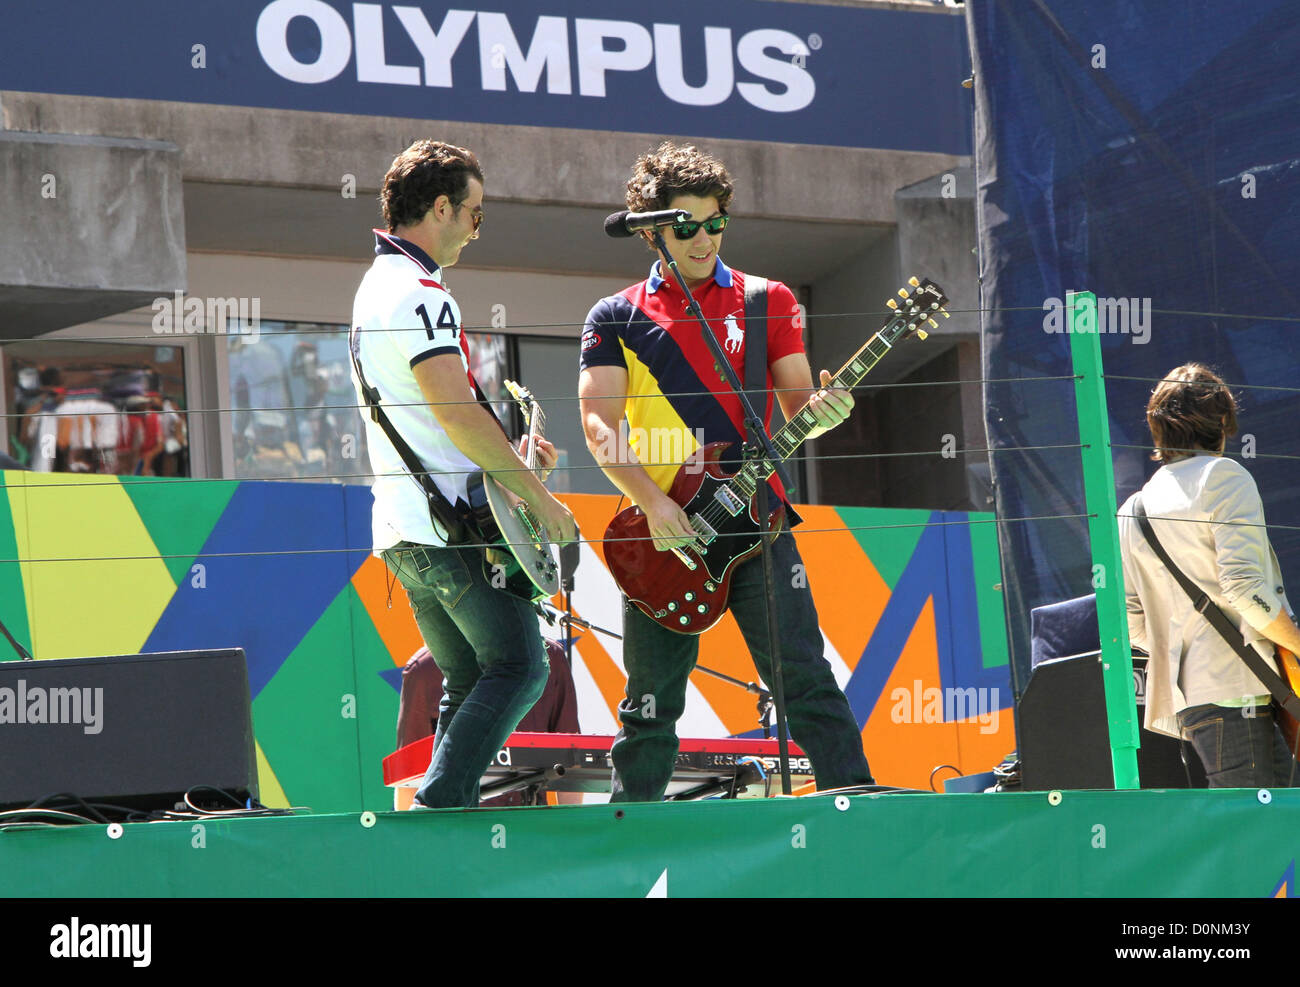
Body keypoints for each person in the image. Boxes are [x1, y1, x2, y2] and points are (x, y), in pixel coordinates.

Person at [578, 141, 874, 801]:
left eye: (717, 222)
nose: (706, 237)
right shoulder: (614, 316)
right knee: (650, 700)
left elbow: (802, 407)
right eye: (688, 225)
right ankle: (633, 835)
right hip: (664, 534)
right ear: (651, 228)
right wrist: (654, 505)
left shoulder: (770, 300)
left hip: (759, 521)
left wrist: (828, 410)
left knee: (803, 676)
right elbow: (598, 425)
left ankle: (859, 810)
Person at [350, 139, 578, 808]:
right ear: (442, 208)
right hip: (450, 530)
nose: (477, 230)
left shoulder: (375, 288)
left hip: (403, 530)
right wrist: (538, 498)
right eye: (475, 214)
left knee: (469, 676)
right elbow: (457, 417)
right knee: (521, 667)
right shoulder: (421, 294)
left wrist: (511, 461)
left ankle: (441, 828)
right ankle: (435, 813)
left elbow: (437, 419)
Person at [1118, 363, 1300, 787]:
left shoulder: (1133, 509)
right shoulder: (1224, 477)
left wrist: (1190, 645)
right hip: (1241, 689)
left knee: (1263, 829)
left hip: (1191, 701)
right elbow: (1243, 587)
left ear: (1158, 427)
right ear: (1221, 422)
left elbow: (1131, 622)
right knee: (1259, 833)